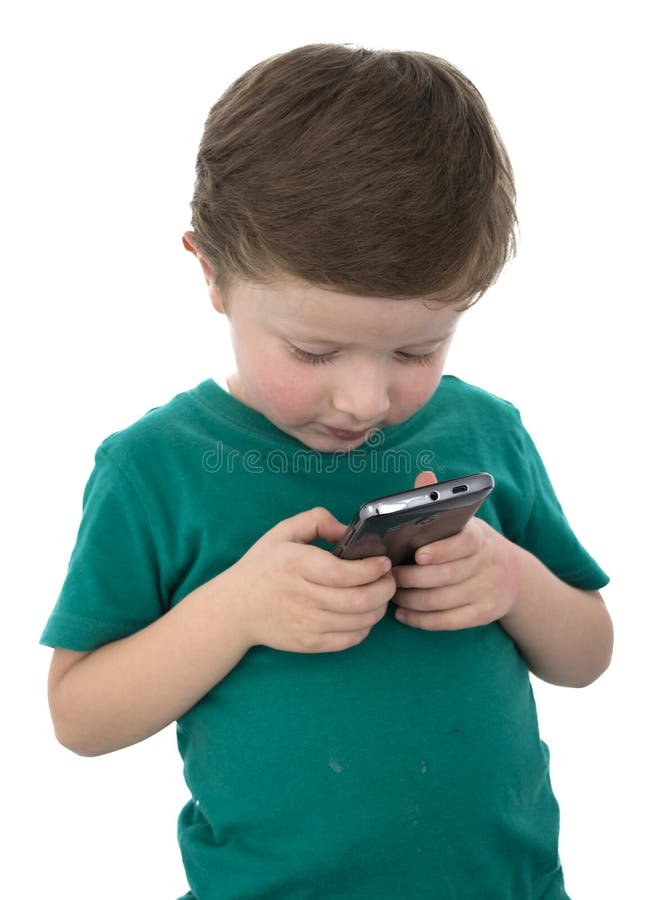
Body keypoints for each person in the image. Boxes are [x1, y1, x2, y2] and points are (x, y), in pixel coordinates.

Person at [40, 43, 613, 899]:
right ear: (212, 275)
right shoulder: (153, 467)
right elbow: (80, 718)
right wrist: (236, 610)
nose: (363, 398)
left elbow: (587, 655)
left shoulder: (485, 429)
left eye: (417, 348)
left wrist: (512, 580)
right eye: (313, 349)